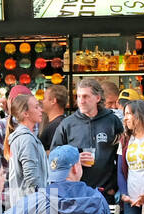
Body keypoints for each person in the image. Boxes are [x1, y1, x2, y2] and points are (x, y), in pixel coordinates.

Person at [50, 78, 124, 206]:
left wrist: (114, 186)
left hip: (105, 192)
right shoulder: (67, 124)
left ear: (97, 98)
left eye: (85, 96)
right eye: (78, 96)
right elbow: (54, 157)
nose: (81, 101)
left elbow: (122, 156)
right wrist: (75, 158)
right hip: (76, 193)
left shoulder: (112, 121)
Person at [6, 87, 47, 202]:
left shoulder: (24, 136)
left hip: (24, 205)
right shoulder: (26, 139)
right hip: (30, 207)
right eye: (36, 107)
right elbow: (32, 180)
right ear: (25, 114)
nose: (41, 110)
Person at [39, 83, 69, 149]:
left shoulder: (56, 126)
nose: (42, 101)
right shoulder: (63, 123)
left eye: (44, 98)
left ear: (53, 101)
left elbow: (56, 153)